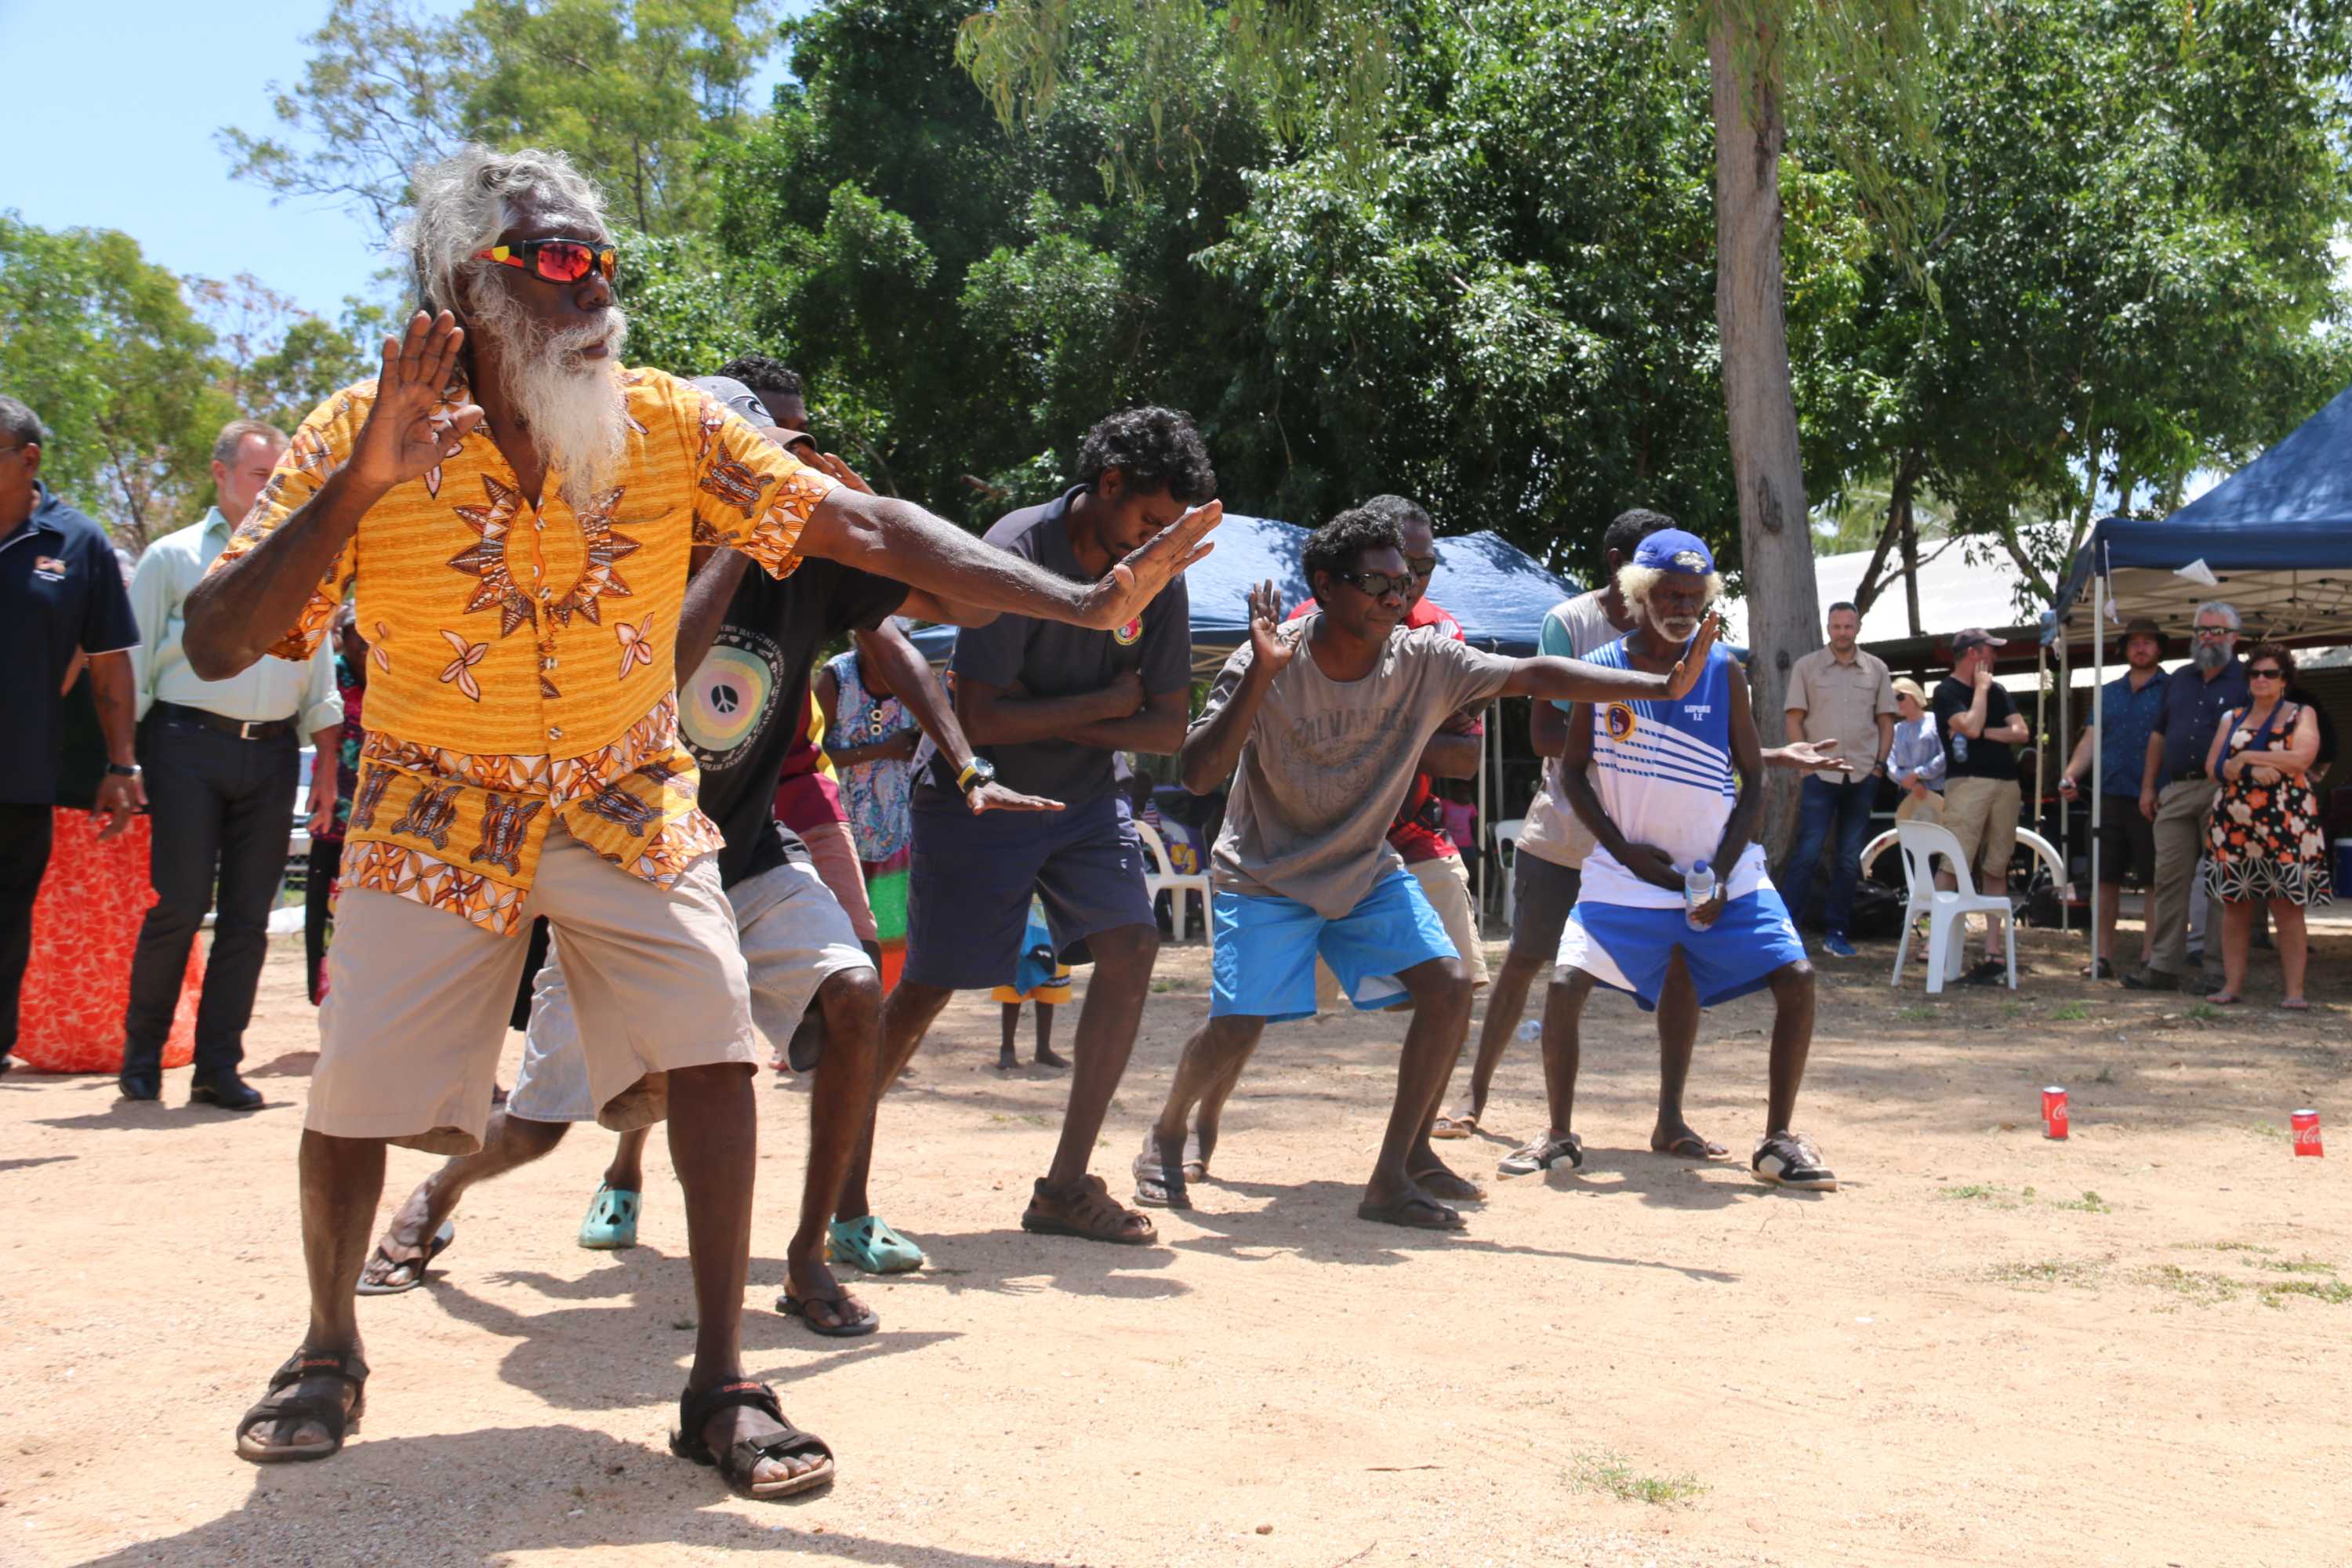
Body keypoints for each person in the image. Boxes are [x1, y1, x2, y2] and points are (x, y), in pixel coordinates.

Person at [189, 147, 1217, 1492]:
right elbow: (218, 643)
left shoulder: (665, 422)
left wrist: (1078, 603)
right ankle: (329, 1348)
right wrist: (361, 485)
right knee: (355, 1093)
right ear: (462, 284)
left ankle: (722, 1381)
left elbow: (860, 521)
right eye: (556, 259)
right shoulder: (353, 432)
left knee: (720, 1049)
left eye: (601, 259)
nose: (593, 284)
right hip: (433, 804)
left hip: (625, 794)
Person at [1134, 508, 1722, 1230]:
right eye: (1376, 582)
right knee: (1237, 1023)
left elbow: (1532, 671)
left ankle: (1392, 1176)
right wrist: (1260, 676)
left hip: (1361, 865)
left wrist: (1656, 688)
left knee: (1447, 987)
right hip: (1264, 872)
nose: (1395, 595)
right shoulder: (1269, 656)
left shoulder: (1423, 659)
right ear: (1323, 585)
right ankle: (1167, 1132)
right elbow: (1198, 775)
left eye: (1405, 580)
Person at [844, 405, 1218, 1251]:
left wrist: (1059, 719)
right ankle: (844, 1188)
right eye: (1148, 521)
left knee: (1131, 948)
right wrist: (1103, 705)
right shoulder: (1014, 549)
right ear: (1110, 484)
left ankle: (1063, 1186)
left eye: (1169, 532)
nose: (1154, 544)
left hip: (1085, 803)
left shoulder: (1155, 569)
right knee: (928, 988)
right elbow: (978, 718)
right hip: (984, 797)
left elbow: (1166, 727)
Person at [1435, 508, 1845, 1142]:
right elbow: (1563, 753)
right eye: (1667, 591)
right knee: (1537, 963)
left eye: (1693, 594)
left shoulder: (1721, 668)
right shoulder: (1579, 638)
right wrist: (1625, 846)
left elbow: (1727, 760)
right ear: (1634, 587)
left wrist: (1725, 852)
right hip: (1588, 840)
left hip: (1692, 854)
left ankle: (1703, 1124)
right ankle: (1489, 1103)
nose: (1681, 605)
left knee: (1719, 975)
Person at [118, 419, 343, 1107]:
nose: (273, 486)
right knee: (179, 906)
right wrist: (123, 762)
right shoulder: (170, 558)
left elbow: (320, 676)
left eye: (280, 475)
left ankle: (219, 1067)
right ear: (219, 475)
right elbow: (129, 665)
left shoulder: (304, 564)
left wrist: (328, 768)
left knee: (247, 918)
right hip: (184, 745)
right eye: (258, 474)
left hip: (273, 754)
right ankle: (143, 1057)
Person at [1283, 495, 1487, 1017]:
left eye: (1425, 567)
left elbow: (1463, 759)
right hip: (1311, 838)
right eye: (1400, 566)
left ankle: (1430, 1103)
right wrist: (1416, 733)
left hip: (1406, 832)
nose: (1412, 579)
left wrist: (1360, 733)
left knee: (1454, 989)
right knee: (1269, 1014)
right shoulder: (1303, 626)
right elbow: (1294, 746)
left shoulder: (1441, 632)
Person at [0, 395, 144, 1076]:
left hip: (19, 779)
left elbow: (111, 660)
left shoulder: (78, 543)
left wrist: (121, 764)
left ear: (29, 460)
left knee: (4, 933)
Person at [2125, 601, 2248, 994]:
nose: (2208, 637)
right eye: (2201, 631)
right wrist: (2148, 786)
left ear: (2234, 637)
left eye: (2216, 630)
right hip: (2175, 789)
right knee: (2168, 881)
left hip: (2225, 792)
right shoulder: (2178, 679)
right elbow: (2158, 736)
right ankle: (2162, 968)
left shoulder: (2248, 680)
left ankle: (2216, 971)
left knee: (2219, 883)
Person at [2201, 643, 2330, 1007]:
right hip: (2235, 824)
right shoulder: (2232, 718)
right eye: (2255, 673)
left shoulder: (2301, 714)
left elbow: (2302, 758)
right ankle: (2231, 986)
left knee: (2286, 905)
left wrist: (2245, 756)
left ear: (2284, 679)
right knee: (2235, 905)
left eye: (2270, 673)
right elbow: (2213, 767)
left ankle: (2295, 992)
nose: (2261, 679)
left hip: (2287, 822)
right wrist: (2234, 766)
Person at [1780, 601, 1896, 956]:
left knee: (1849, 859)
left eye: (1848, 626)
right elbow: (1794, 718)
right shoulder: (1807, 667)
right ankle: (1785, 931)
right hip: (1820, 773)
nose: (1842, 632)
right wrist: (1805, 761)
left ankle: (1837, 931)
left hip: (1863, 774)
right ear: (1827, 628)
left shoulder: (1876, 669)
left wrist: (1878, 766)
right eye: (1836, 627)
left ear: (1858, 628)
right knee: (1807, 853)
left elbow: (1886, 723)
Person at [2056, 618, 2167, 979]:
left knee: (2154, 881)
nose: (2141, 648)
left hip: (2153, 798)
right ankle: (2102, 956)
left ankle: (2151, 957)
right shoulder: (2107, 692)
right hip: (2108, 796)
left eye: (2148, 642)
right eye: (2135, 642)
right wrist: (2071, 774)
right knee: (2104, 879)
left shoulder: (2172, 689)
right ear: (2124, 649)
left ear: (2159, 648)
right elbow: (2090, 740)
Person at [1929, 629, 2031, 977]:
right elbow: (1968, 727)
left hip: (2006, 783)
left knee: (1997, 864)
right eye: (1991, 651)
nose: (1996, 659)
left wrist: (1986, 731)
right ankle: (1934, 944)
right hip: (1967, 783)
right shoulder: (1945, 692)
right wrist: (1982, 693)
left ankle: (1993, 949)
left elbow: (2021, 733)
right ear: (1974, 654)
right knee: (1953, 861)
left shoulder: (2000, 690)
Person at [305, 608, 372, 1004]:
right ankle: (329, 1002)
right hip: (336, 822)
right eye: (353, 632)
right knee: (330, 921)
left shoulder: (392, 673)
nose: (363, 641)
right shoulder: (330, 677)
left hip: (386, 826)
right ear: (340, 637)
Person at [993, 898, 1073, 1070]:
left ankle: (1043, 1049)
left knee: (1048, 989)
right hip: (1019, 918)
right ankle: (1007, 1049)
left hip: (1052, 921)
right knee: (1013, 989)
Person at [1886, 677, 1945, 824]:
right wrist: (1911, 784)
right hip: (1906, 793)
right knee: (1910, 840)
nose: (1896, 702)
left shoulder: (1937, 721)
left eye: (1900, 697)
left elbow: (1946, 755)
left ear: (1913, 694)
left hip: (1939, 790)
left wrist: (1919, 773)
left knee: (1943, 839)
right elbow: (1889, 762)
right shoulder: (1895, 730)